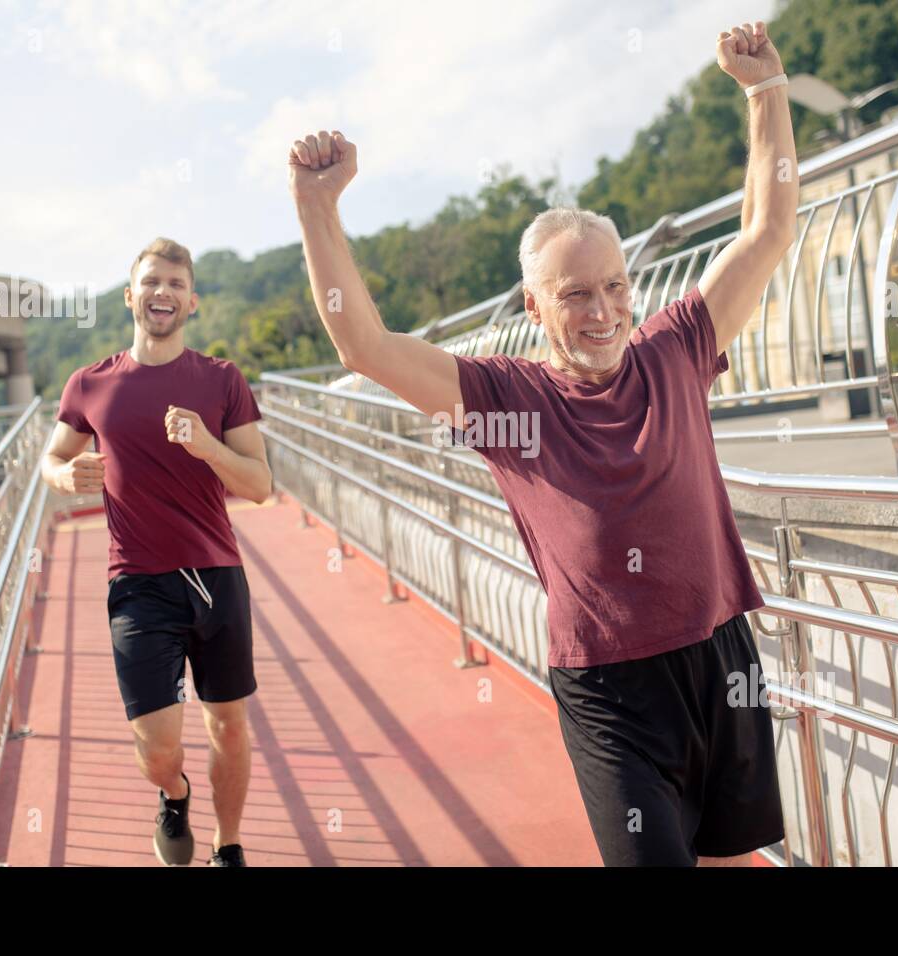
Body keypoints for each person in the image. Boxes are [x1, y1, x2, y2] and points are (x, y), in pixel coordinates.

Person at [289, 20, 798, 866]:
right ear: (535, 308)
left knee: (734, 860)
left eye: (612, 288)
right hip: (609, 689)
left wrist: (765, 93)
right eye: (573, 296)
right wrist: (317, 207)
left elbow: (769, 230)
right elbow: (365, 349)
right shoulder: (504, 399)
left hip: (719, 655)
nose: (599, 312)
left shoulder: (677, 349)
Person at [40, 238, 272, 867]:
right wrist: (66, 477)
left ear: (192, 301)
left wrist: (208, 448)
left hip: (219, 577)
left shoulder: (222, 379)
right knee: (159, 746)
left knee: (228, 724)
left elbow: (259, 484)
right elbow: (51, 457)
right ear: (130, 295)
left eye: (174, 283)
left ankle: (228, 846)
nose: (162, 292)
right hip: (138, 585)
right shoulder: (91, 384)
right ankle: (174, 793)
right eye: (151, 282)